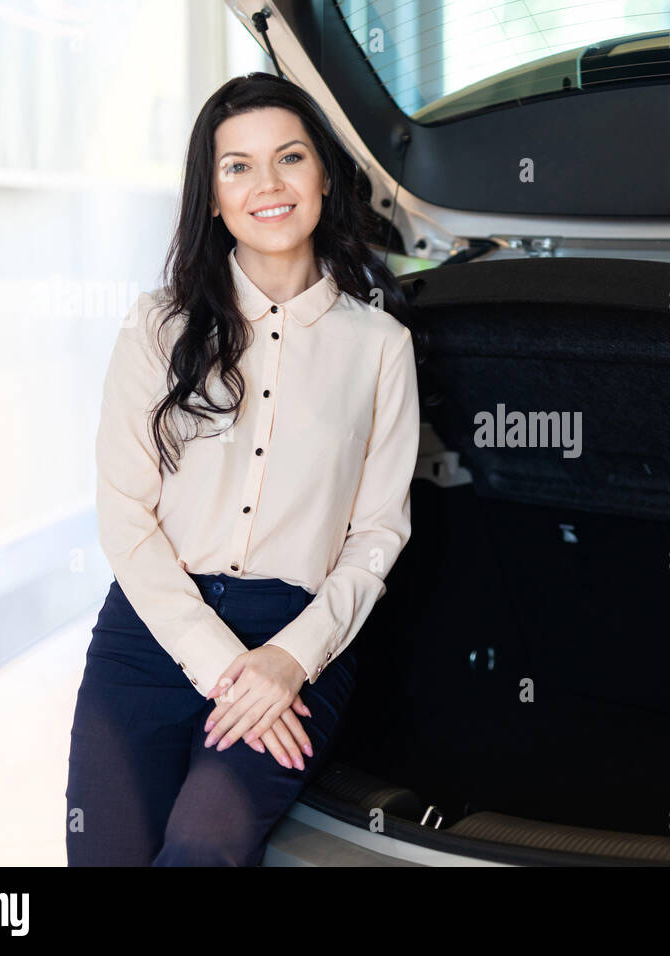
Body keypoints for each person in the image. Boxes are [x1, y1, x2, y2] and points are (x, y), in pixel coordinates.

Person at [65, 72, 420, 866]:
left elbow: (378, 532)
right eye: (238, 166)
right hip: (150, 634)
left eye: (290, 157)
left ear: (325, 176)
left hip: (296, 642)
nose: (268, 184)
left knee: (202, 847)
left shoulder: (379, 347)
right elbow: (126, 515)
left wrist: (290, 659)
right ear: (213, 195)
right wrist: (224, 665)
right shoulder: (157, 328)